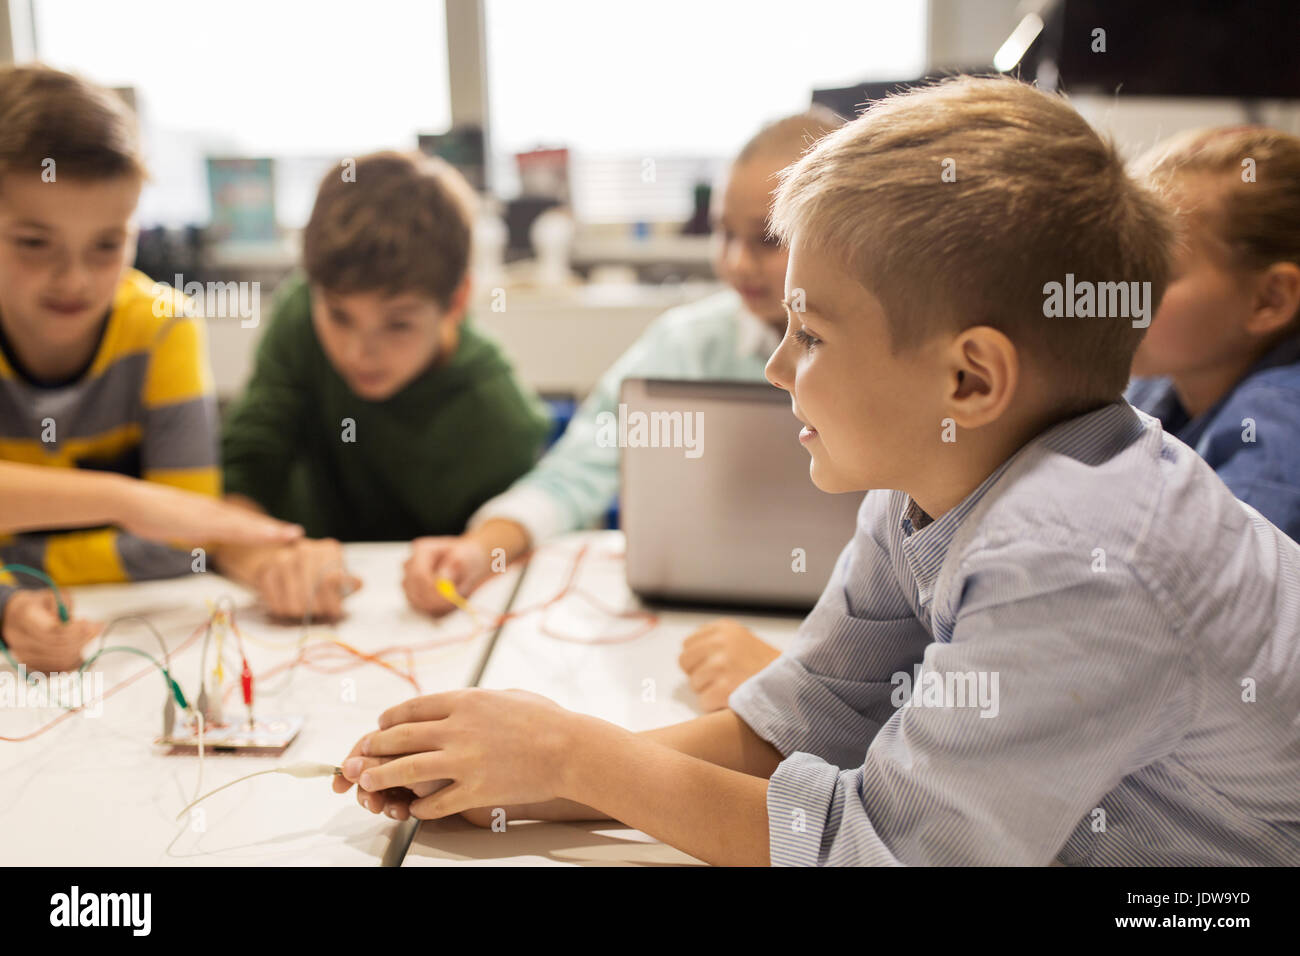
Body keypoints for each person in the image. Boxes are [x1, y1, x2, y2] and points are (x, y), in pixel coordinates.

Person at [336, 76, 1300, 866]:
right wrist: (525, 778)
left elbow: (880, 850)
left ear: (968, 378)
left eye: (811, 332)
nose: (777, 365)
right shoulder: (929, 478)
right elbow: (810, 720)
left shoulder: (1080, 557)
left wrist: (573, 754)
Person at [402, 110, 845, 709]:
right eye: (724, 234)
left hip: (840, 644)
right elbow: (579, 468)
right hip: (696, 630)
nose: (738, 262)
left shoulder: (885, 361)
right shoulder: (685, 342)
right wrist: (484, 546)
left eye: (767, 239)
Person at [0, 65, 298, 673]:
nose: (74, 279)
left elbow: (180, 543)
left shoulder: (164, 326)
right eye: (34, 242)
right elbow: (165, 524)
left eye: (107, 245)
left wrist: (14, 572)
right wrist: (128, 503)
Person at [218, 151, 550, 621]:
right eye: (339, 315)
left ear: (456, 302)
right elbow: (239, 477)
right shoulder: (300, 315)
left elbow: (506, 559)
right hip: (301, 623)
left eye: (397, 324)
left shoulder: (500, 416)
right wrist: (267, 563)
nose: (358, 352)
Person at [1127, 126, 1300, 538]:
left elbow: (1194, 591)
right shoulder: (1161, 380)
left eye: (1153, 273)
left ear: (1269, 300)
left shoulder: (1278, 423)